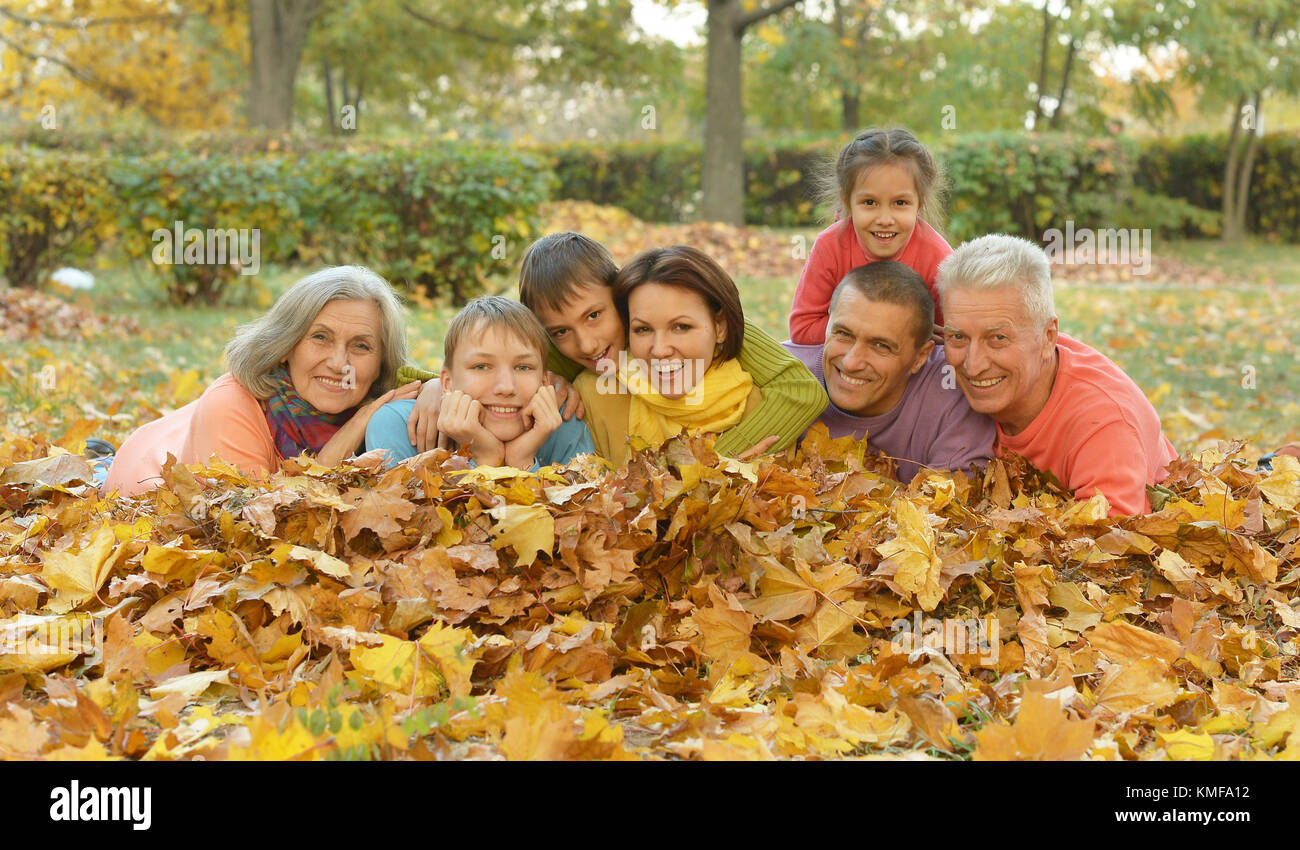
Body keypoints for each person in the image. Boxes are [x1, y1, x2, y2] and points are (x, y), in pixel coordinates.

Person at [102, 266, 420, 496]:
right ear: (286, 347)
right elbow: (260, 528)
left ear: (380, 364)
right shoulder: (231, 404)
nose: (339, 364)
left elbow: (450, 382)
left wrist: (433, 390)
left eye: (361, 346)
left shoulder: (381, 409)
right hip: (142, 475)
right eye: (320, 337)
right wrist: (355, 428)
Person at [518, 232, 828, 463]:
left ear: (621, 296)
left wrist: (716, 463)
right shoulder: (570, 349)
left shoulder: (691, 317)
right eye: (560, 332)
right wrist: (546, 374)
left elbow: (801, 390)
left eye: (595, 316)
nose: (586, 343)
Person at [937, 234, 1177, 516]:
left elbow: (1105, 549)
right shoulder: (939, 385)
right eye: (958, 337)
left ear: (1048, 337)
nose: (973, 365)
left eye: (998, 338)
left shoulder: (1103, 422)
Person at [783, 261, 995, 483]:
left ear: (920, 357)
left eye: (881, 346)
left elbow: (945, 507)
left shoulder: (955, 390)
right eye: (844, 334)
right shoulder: (781, 376)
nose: (852, 362)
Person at [365, 296, 592, 470]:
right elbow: (409, 529)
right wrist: (484, 459)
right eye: (481, 366)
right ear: (446, 383)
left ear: (544, 381)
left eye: (523, 367)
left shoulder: (564, 424)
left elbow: (582, 526)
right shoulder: (396, 426)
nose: (506, 387)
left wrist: (521, 462)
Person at [789, 127, 953, 345]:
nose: (885, 219)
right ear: (847, 202)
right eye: (869, 202)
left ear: (919, 203)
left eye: (900, 203)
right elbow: (802, 329)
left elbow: (952, 335)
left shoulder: (937, 258)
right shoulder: (830, 246)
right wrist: (885, 329)